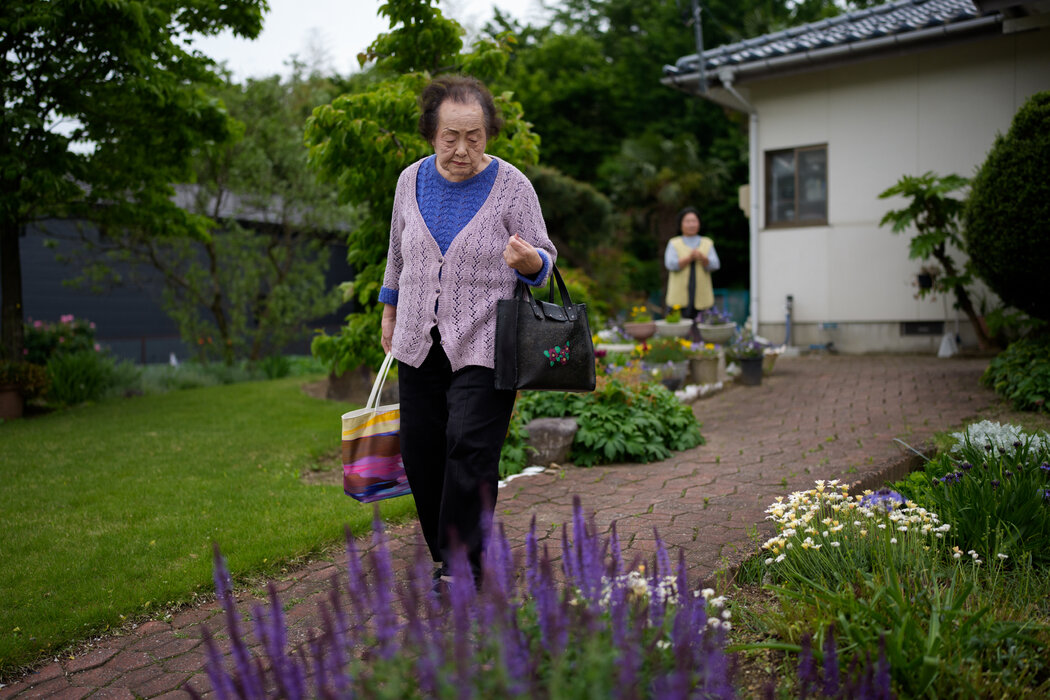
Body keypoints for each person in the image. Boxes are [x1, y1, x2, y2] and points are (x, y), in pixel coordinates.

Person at [378, 75, 557, 590]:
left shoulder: (513, 186)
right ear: (431, 133)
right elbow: (397, 254)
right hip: (417, 339)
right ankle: (451, 549)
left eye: (474, 137)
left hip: (485, 340)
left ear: (489, 133)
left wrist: (531, 263)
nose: (462, 149)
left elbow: (544, 259)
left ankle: (461, 565)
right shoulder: (408, 181)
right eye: (450, 137)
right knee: (421, 451)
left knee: (470, 449)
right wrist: (389, 312)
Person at [664, 206, 720, 320]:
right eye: (687, 221)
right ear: (681, 224)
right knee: (677, 332)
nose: (691, 224)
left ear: (699, 223)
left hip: (703, 299)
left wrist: (703, 258)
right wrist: (689, 258)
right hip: (678, 300)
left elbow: (715, 265)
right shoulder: (674, 243)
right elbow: (670, 264)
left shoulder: (707, 242)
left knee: (703, 332)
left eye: (694, 221)